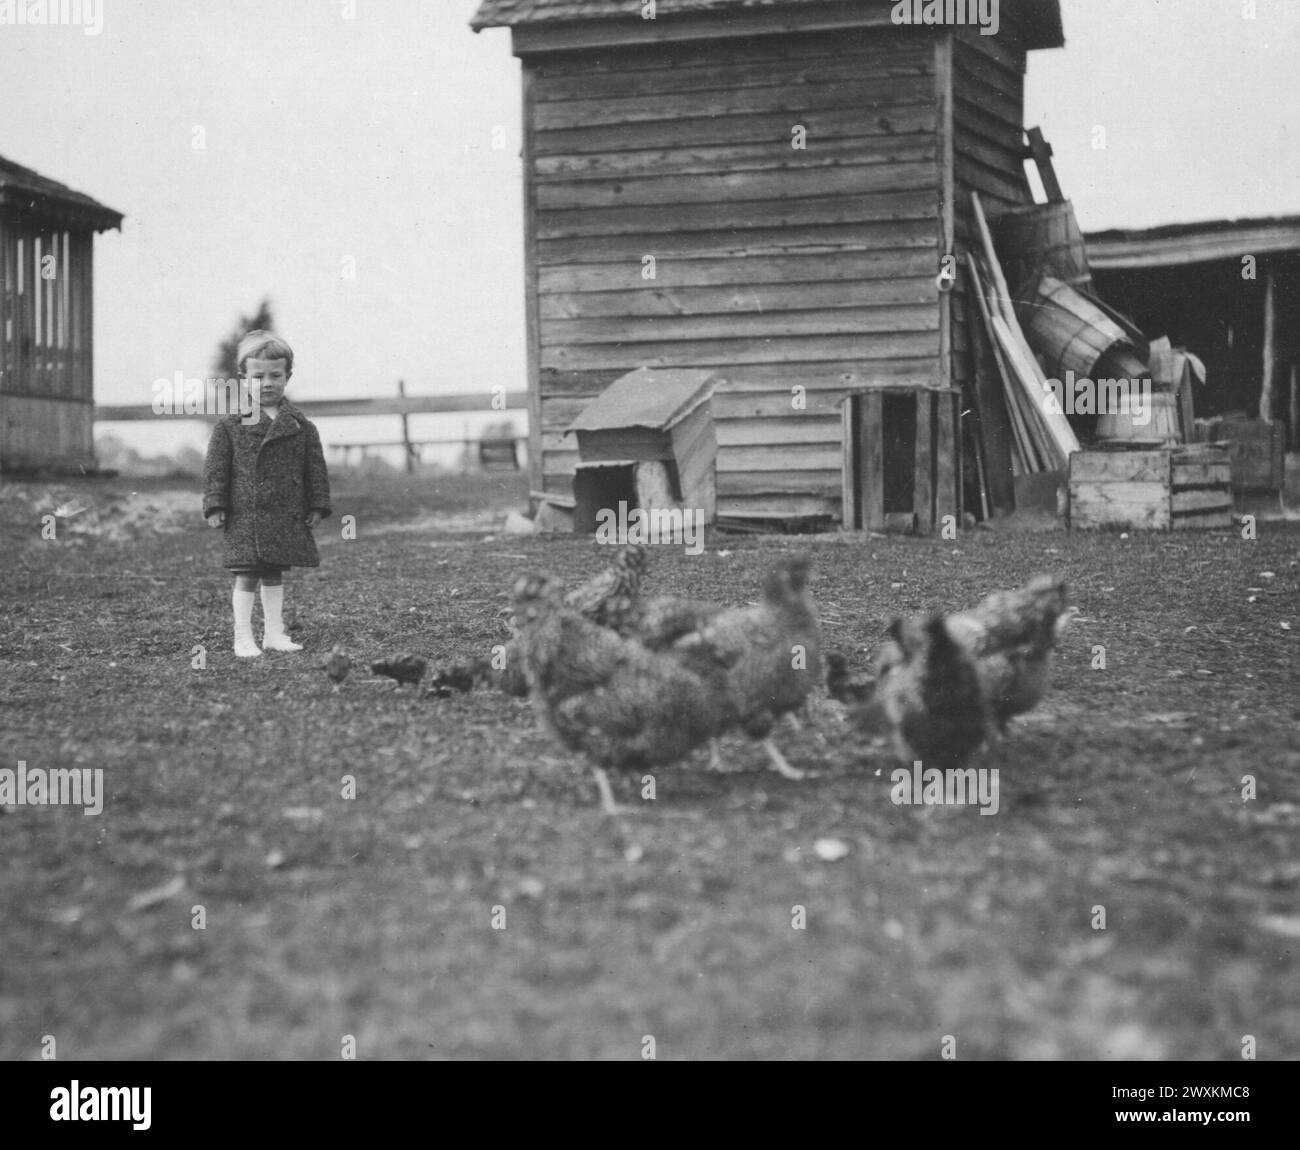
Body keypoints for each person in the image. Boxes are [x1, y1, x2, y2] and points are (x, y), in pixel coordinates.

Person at [202, 330, 331, 657]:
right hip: (245, 513)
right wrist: (215, 504)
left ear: (288, 376)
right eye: (258, 376)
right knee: (246, 574)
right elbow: (217, 470)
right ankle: (242, 636)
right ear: (243, 378)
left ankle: (274, 632)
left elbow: (315, 469)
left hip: (284, 512)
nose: (267, 383)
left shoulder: (302, 426)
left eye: (276, 375)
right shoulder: (229, 427)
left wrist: (318, 504)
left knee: (274, 571)